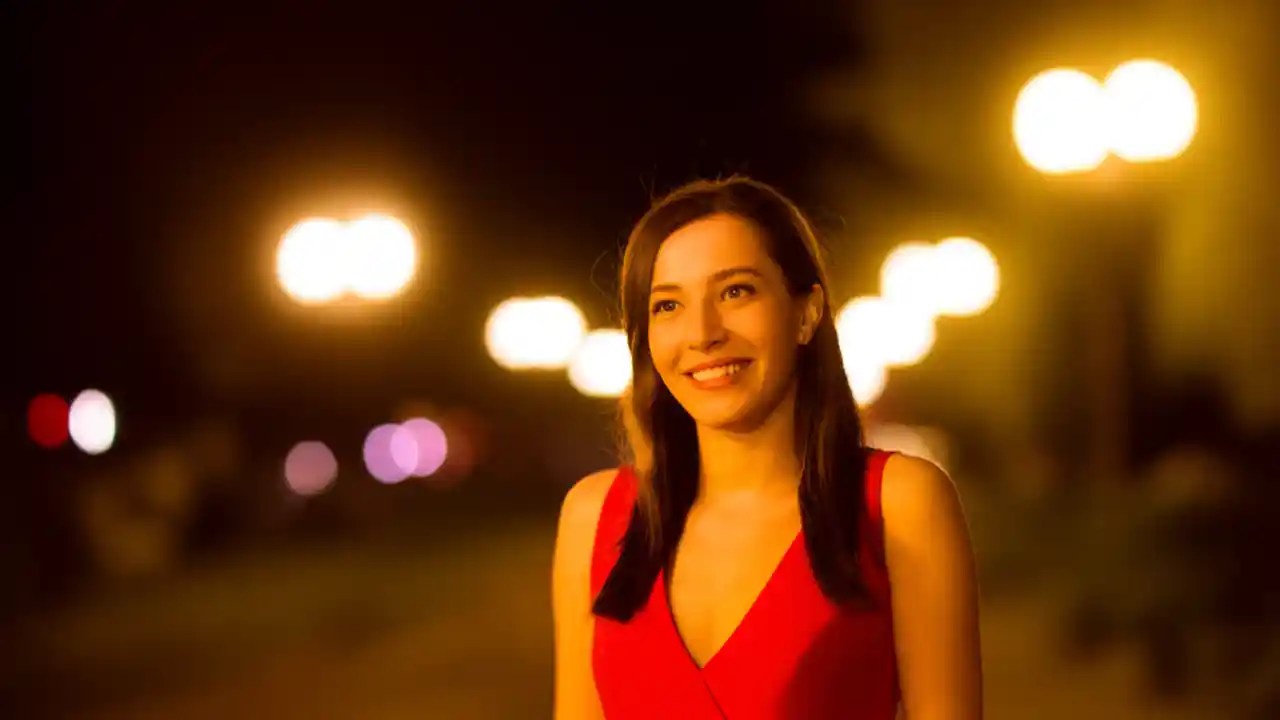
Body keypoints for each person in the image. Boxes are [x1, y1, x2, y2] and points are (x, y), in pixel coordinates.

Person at [552, 176, 982, 719]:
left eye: (736, 291)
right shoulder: (596, 517)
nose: (702, 333)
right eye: (667, 306)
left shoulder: (898, 502)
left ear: (806, 313)